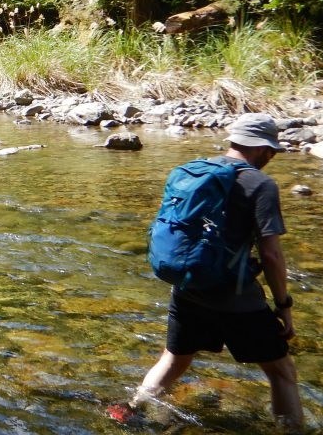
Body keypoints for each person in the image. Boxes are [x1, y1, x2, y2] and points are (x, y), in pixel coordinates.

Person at [121, 113, 302, 429]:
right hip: (235, 298)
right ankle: (292, 430)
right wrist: (284, 306)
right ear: (263, 149)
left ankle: (130, 410)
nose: (272, 157)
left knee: (174, 359)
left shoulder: (192, 171)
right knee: (281, 372)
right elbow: (271, 255)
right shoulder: (260, 184)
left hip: (187, 287)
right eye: (272, 150)